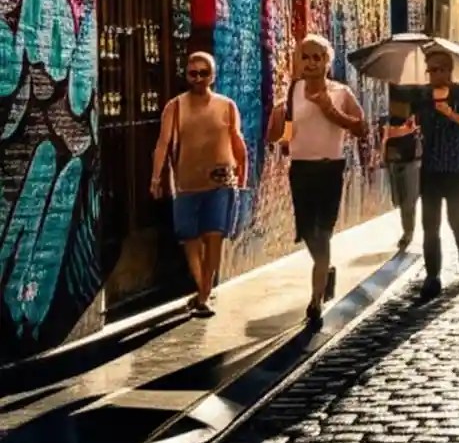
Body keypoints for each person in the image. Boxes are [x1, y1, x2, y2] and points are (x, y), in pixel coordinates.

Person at [267, 34, 367, 322]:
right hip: (301, 170)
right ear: (298, 60)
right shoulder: (292, 92)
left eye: (316, 57)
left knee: (322, 232)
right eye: (305, 57)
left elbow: (360, 128)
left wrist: (329, 109)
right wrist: (280, 127)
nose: (310, 63)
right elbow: (280, 134)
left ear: (326, 62)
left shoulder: (341, 92)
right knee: (308, 233)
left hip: (329, 169)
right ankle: (326, 268)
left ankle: (315, 301)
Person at [151, 52, 247, 318]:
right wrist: (156, 177)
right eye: (193, 73)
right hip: (186, 183)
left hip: (221, 181)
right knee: (190, 239)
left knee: (214, 236)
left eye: (204, 73)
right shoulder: (175, 107)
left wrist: (243, 172)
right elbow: (163, 144)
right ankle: (203, 287)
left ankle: (203, 295)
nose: (198, 78)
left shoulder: (227, 106)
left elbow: (237, 141)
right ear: (186, 75)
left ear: (212, 75)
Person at [413, 51, 459, 300]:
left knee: (456, 219)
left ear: (449, 71)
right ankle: (432, 276)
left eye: (440, 69)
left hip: (456, 168)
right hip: (431, 168)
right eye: (431, 70)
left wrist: (451, 114)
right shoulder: (421, 96)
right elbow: (410, 123)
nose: (435, 74)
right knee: (430, 225)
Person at [382, 84, 424, 250]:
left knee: (409, 200)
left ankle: (408, 233)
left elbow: (418, 125)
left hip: (411, 154)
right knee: (397, 199)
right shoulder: (388, 88)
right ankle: (407, 230)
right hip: (393, 153)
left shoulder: (419, 93)